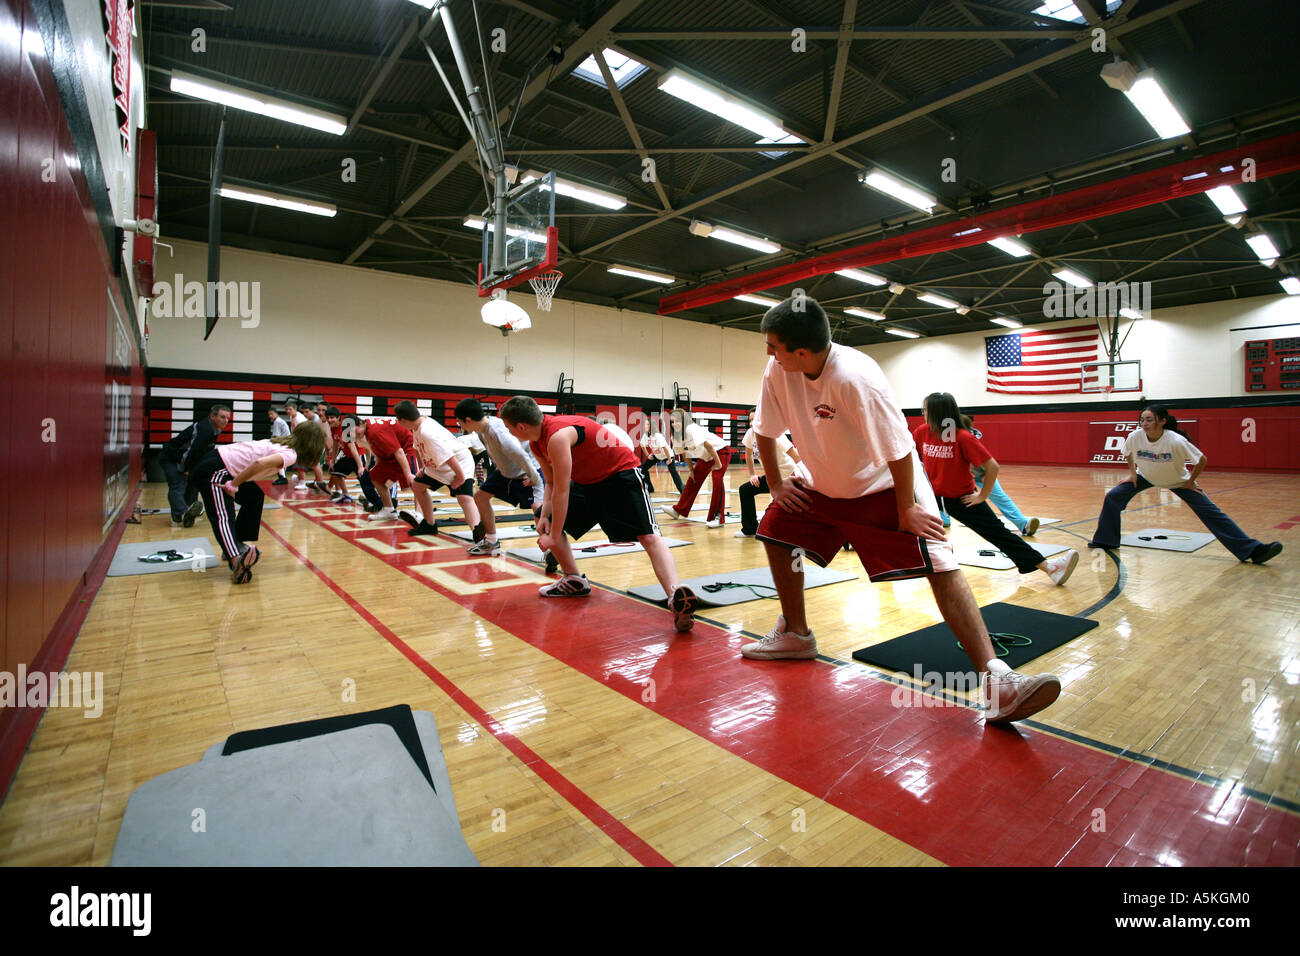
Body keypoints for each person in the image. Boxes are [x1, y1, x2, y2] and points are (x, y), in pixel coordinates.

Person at [746, 296, 1061, 724]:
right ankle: (797, 635)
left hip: (884, 485)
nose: (768, 352)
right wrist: (779, 484)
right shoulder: (777, 370)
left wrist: (907, 508)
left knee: (941, 564)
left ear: (802, 352)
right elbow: (764, 429)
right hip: (821, 486)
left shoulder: (857, 380)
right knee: (777, 532)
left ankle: (997, 680)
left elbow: (897, 451)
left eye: (774, 346)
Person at [500, 395, 698, 633]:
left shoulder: (557, 436)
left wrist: (553, 537)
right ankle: (574, 580)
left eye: (508, 427)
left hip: (621, 477)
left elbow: (562, 490)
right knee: (546, 515)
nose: (508, 432)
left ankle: (675, 596)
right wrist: (544, 517)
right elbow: (551, 483)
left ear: (520, 426)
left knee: (649, 537)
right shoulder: (536, 442)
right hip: (588, 484)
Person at [915, 393, 1078, 587]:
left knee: (998, 534)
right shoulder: (922, 432)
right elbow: (912, 459)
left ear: (935, 412)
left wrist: (982, 496)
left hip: (961, 498)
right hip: (932, 497)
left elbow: (992, 467)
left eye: (925, 410)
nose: (923, 413)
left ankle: (1050, 568)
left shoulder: (962, 437)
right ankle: (929, 568)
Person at [1088, 404, 1282, 564]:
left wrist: (1189, 482)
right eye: (1142, 420)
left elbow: (1201, 460)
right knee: (1113, 496)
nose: (1144, 423)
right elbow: (1128, 452)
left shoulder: (1175, 441)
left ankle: (1253, 550)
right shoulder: (1135, 436)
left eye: (1149, 419)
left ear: (1162, 421)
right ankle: (1106, 541)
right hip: (1146, 476)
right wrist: (1132, 474)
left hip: (1177, 481)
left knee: (1212, 512)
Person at [188, 423, 325, 584]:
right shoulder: (290, 454)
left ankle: (236, 542)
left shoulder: (280, 443)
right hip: (217, 470)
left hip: (220, 462)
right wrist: (234, 484)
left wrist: (236, 482)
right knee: (223, 516)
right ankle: (235, 561)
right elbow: (259, 463)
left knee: (254, 495)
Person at [455, 398, 544, 557]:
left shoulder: (496, 431)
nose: (459, 425)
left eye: (460, 422)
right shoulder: (482, 430)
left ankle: (551, 549)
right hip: (506, 472)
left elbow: (519, 453)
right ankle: (491, 542)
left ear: (468, 420)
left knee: (538, 509)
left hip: (529, 470)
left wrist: (534, 477)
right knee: (480, 497)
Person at [393, 401, 482, 538]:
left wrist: (460, 477)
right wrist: (423, 467)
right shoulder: (418, 425)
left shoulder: (427, 432)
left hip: (459, 463)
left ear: (404, 420)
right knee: (417, 485)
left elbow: (449, 457)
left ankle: (480, 535)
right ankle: (429, 524)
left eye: (398, 419)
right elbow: (417, 449)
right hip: (440, 466)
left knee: (464, 498)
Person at [159, 404, 232, 527]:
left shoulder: (215, 430)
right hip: (170, 458)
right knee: (178, 483)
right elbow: (191, 451)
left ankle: (189, 509)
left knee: (194, 482)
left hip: (185, 459)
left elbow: (202, 452)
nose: (226, 421)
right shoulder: (204, 429)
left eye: (227, 418)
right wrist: (186, 469)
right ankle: (181, 513)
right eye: (222, 417)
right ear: (212, 416)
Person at [660, 408, 731, 527]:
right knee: (693, 479)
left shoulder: (691, 429)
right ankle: (678, 510)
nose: (674, 424)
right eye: (672, 422)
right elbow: (684, 453)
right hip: (706, 456)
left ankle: (718, 517)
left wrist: (718, 464)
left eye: (677, 421)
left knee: (717, 479)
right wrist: (692, 470)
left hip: (720, 451)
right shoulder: (676, 435)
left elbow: (708, 446)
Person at [736, 410, 801, 538]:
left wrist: (805, 476)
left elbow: (795, 456)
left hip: (789, 475)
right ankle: (749, 528)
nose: (751, 423)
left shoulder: (774, 434)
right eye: (749, 420)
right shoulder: (751, 434)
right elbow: (748, 455)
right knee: (745, 490)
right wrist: (752, 475)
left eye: (754, 419)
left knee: (780, 510)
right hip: (773, 477)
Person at [353, 418, 416, 522]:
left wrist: (408, 474)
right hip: (395, 452)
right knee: (375, 475)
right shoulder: (367, 430)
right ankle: (388, 510)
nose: (354, 435)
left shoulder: (374, 431)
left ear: (360, 423)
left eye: (354, 431)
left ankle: (420, 514)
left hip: (407, 447)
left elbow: (399, 452)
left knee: (415, 483)